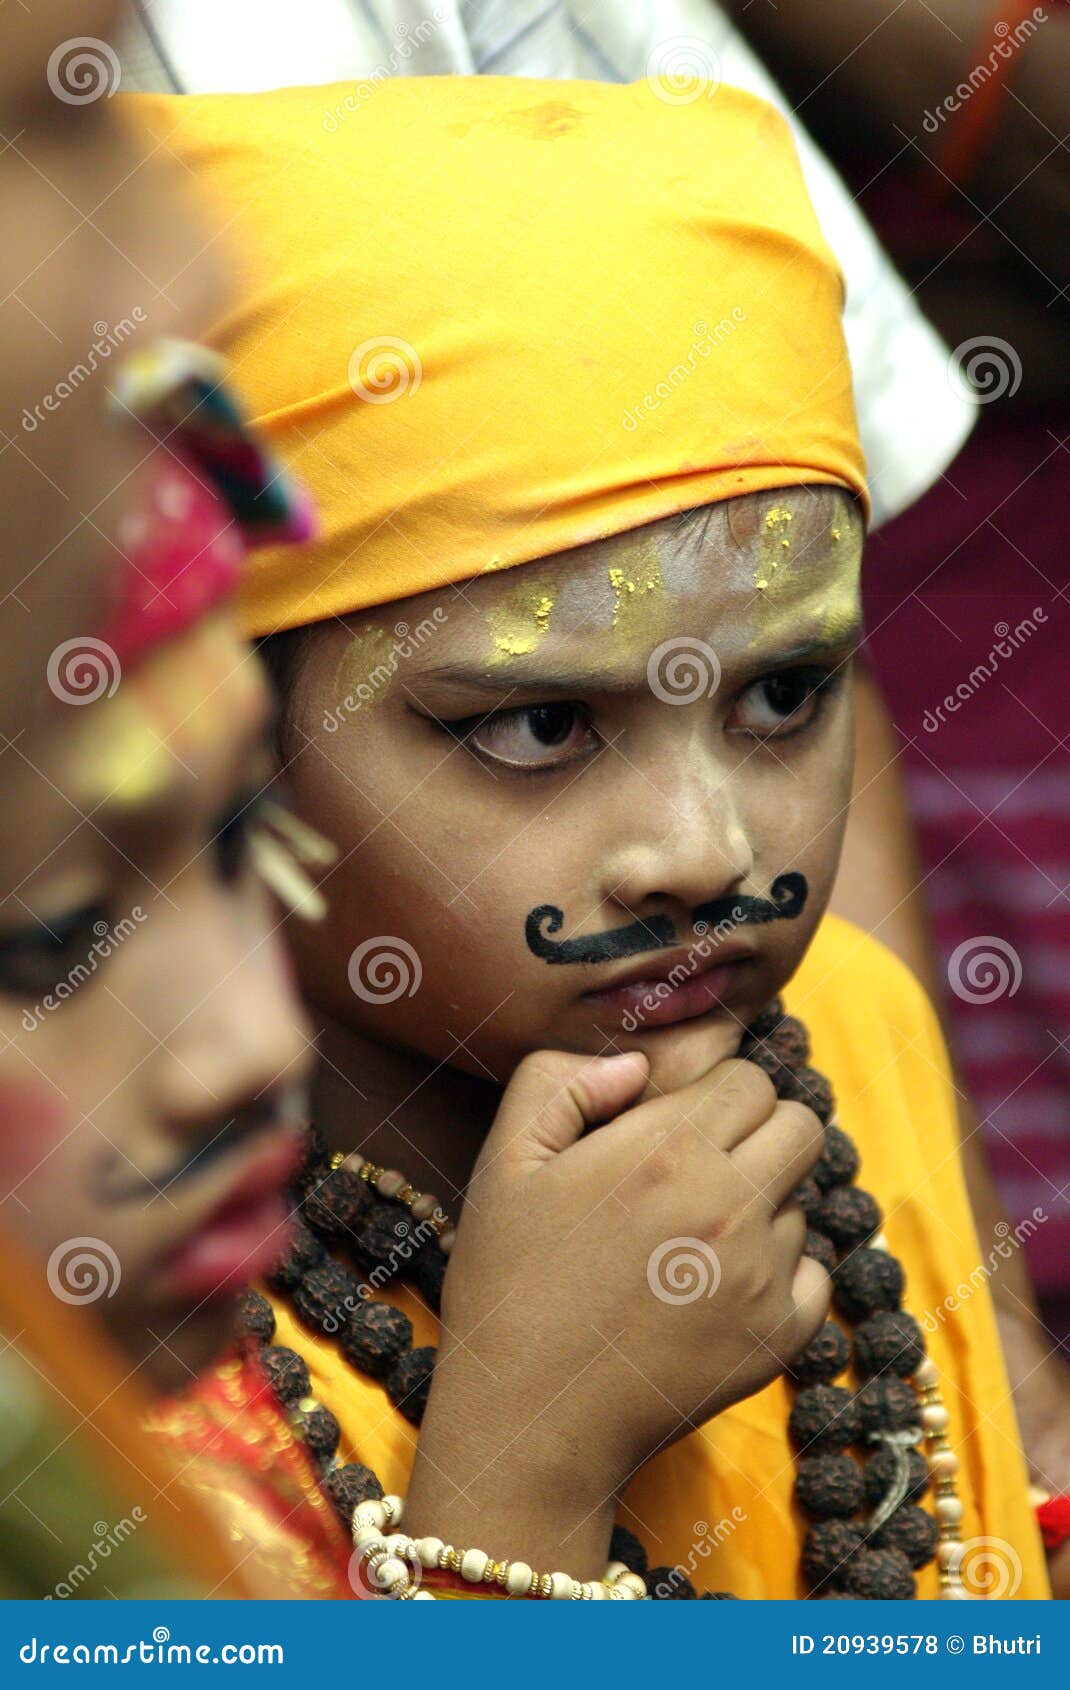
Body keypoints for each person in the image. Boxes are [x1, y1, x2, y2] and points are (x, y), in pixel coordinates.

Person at [128, 72, 1049, 1599]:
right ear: (221, 731)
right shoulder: (87, 1270)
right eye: (538, 726)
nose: (703, 849)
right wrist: (526, 1465)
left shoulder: (846, 1030)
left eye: (783, 692)